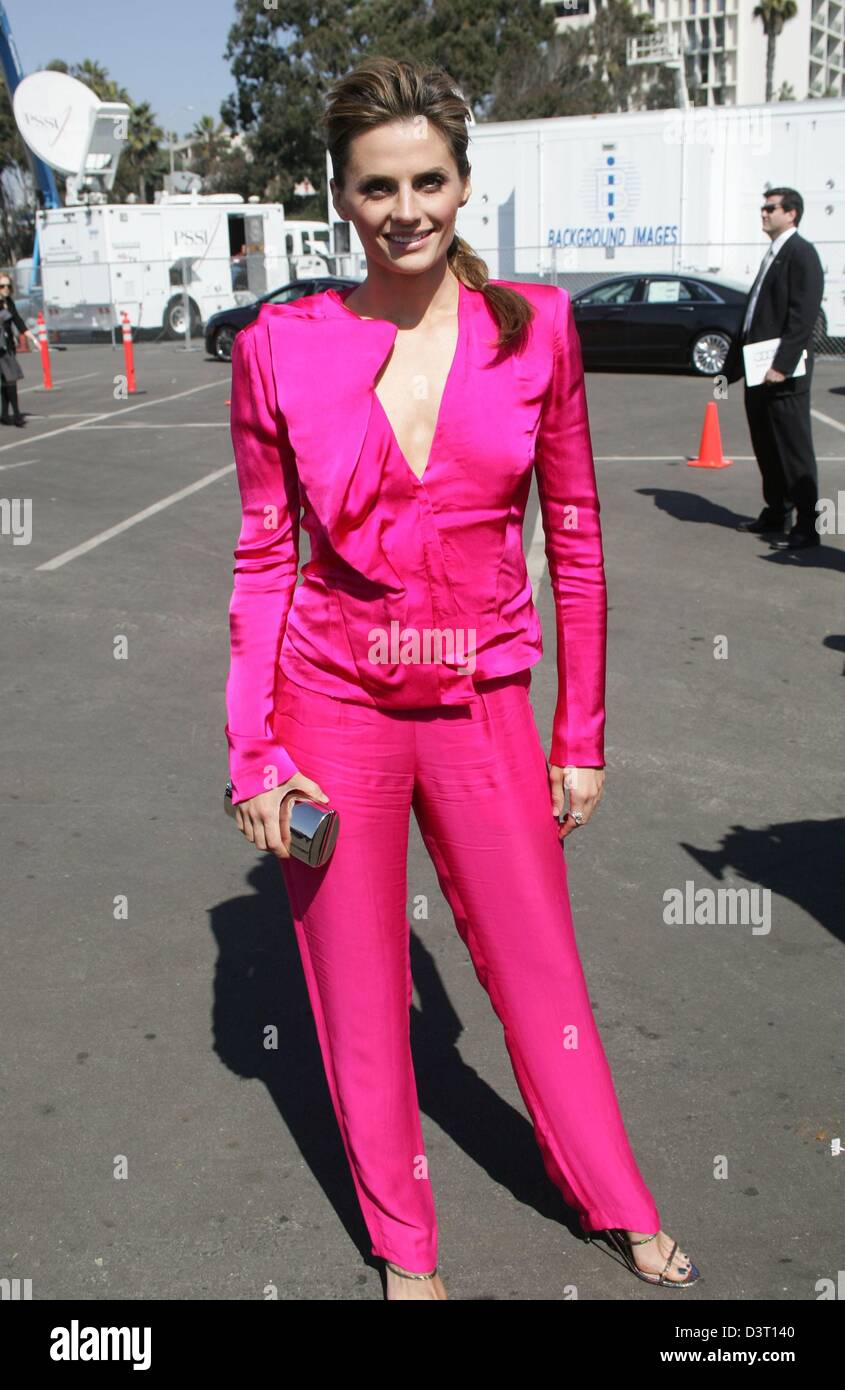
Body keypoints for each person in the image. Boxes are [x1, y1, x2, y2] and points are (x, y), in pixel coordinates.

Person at [223, 56, 700, 1300]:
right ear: (341, 198)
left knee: (540, 965)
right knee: (359, 994)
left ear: (463, 183)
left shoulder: (534, 325)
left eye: (427, 179)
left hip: (485, 705)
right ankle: (404, 1245)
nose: (406, 208)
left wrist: (579, 728)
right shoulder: (281, 345)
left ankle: (614, 1195)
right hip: (330, 711)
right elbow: (265, 554)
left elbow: (580, 536)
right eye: (377, 186)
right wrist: (253, 751)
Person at [732, 188, 825, 550]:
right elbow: (755, 313)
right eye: (763, 207)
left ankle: (807, 522)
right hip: (758, 371)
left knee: (793, 446)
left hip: (783, 373)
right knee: (766, 443)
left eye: (770, 208)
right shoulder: (773, 254)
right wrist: (730, 371)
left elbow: (803, 316)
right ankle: (777, 511)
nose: (764, 213)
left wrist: (782, 366)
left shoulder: (802, 254)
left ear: (792, 213)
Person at [0, 274, 38, 427]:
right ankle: (16, 414)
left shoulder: (9, 302)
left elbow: (18, 321)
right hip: (1, 348)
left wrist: (33, 338)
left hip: (8, 345)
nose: (6, 289)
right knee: (11, 378)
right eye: (2, 286)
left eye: (8, 285)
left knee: (6, 381)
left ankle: (4, 414)